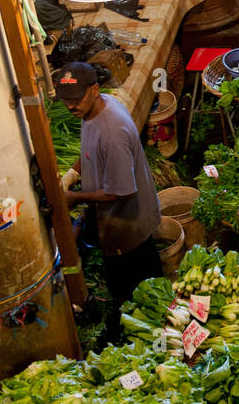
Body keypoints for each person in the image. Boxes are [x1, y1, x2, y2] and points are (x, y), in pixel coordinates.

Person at [56, 62, 162, 340]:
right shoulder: (93, 110)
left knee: (135, 287)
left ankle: (141, 336)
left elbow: (122, 191)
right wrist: (73, 173)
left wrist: (74, 197)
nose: (70, 106)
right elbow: (90, 151)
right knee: (131, 284)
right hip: (119, 218)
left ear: (95, 89)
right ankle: (132, 326)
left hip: (128, 222)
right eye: (66, 100)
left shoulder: (112, 132)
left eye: (75, 99)